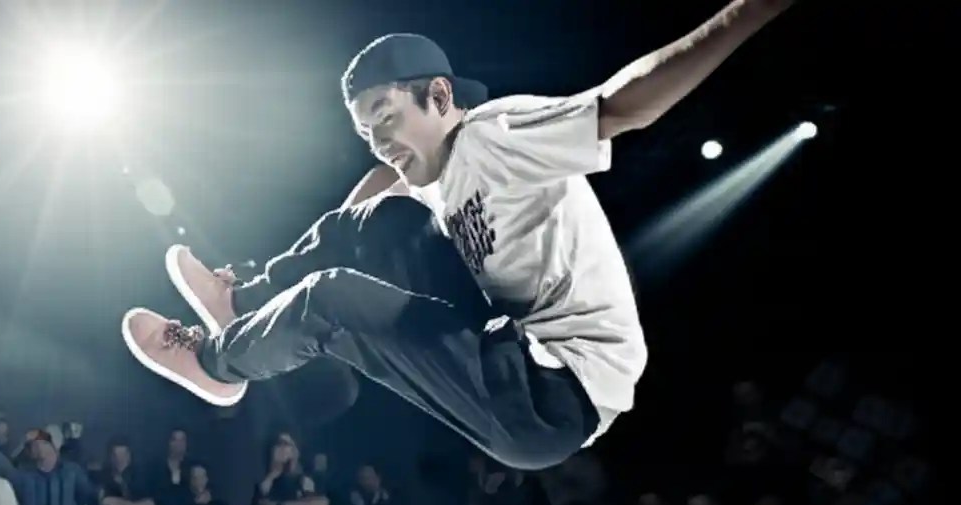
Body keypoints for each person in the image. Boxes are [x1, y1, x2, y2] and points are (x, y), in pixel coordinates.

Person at [122, 0, 799, 471]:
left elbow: (625, 103)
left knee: (332, 298)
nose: (380, 144)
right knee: (374, 219)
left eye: (386, 120)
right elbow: (368, 201)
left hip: (553, 393)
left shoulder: (495, 135)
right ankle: (243, 304)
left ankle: (218, 364)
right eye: (365, 132)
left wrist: (751, 12)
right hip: (509, 357)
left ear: (441, 98)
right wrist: (280, 274)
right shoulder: (429, 175)